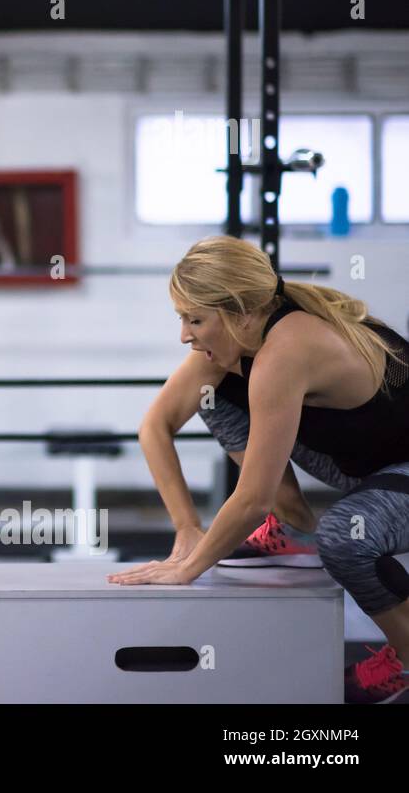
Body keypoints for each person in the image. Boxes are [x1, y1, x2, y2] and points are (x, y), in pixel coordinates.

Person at [112, 235, 409, 703]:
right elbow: (155, 426)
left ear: (238, 311)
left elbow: (251, 498)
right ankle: (294, 529)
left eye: (195, 320)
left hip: (399, 469)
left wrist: (187, 569)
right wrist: (187, 529)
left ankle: (407, 657)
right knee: (214, 397)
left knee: (344, 537)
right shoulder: (245, 337)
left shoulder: (287, 349)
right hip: (366, 462)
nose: (185, 336)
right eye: (182, 319)